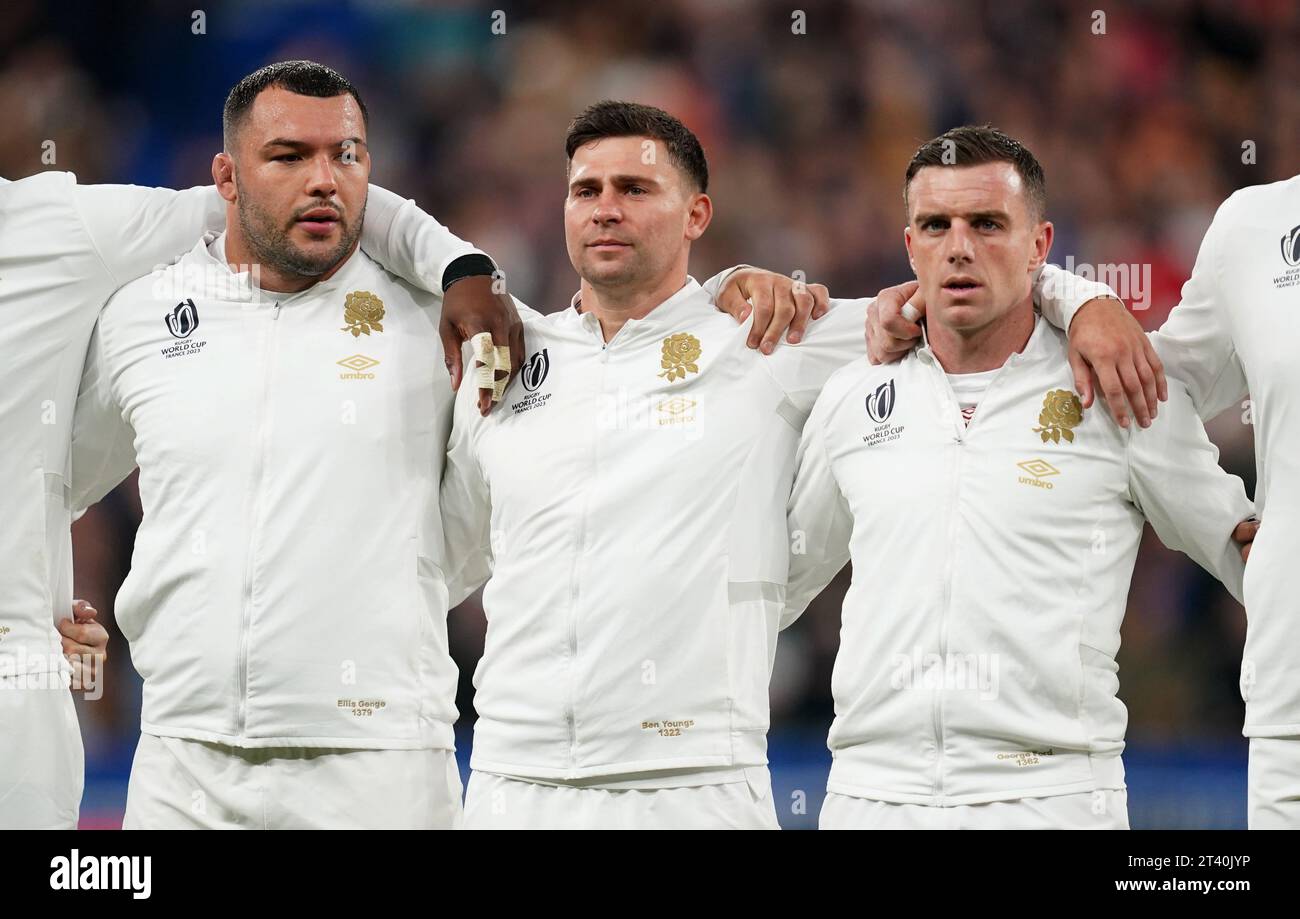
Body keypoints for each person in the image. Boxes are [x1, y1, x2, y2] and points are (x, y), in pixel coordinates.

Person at [68, 69, 815, 829]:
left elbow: (608, 343)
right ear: (226, 177)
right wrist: (32, 605)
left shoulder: (452, 319)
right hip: (179, 756)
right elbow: (51, 479)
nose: (323, 180)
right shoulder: (145, 317)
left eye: (348, 157)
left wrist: (716, 293)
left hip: (382, 758)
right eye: (288, 156)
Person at [439, 103, 1110, 829]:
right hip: (512, 781)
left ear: (696, 214)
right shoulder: (501, 359)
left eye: (635, 189)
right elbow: (442, 557)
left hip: (693, 784)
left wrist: (1087, 302)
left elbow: (970, 294)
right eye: (586, 190)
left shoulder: (770, 335)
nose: (606, 209)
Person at [785, 125, 1255, 829]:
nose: (960, 246)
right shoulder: (853, 396)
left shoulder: (1116, 388)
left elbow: (1241, 545)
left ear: (1040, 245)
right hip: (869, 796)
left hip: (1050, 797)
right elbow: (774, 583)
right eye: (936, 225)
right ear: (910, 245)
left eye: (987, 224)